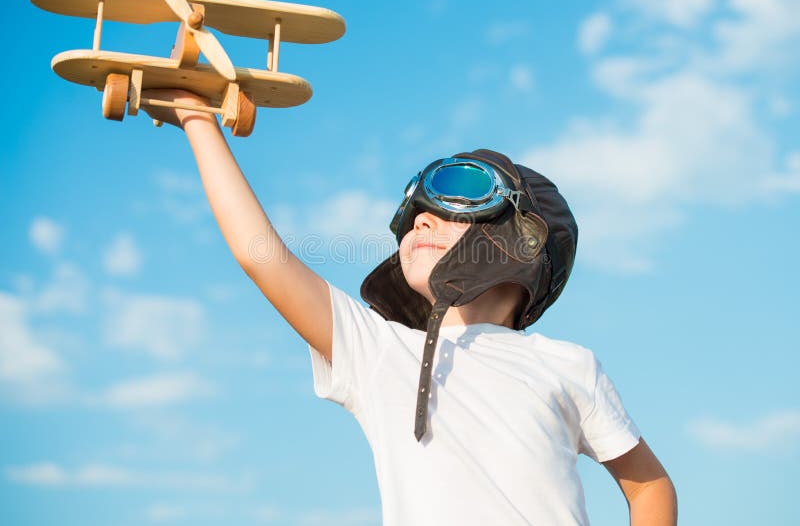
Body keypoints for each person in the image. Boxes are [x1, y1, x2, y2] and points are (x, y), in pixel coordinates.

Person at [141, 90, 678, 525]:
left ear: (519, 235)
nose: (420, 220)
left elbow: (650, 486)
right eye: (415, 211)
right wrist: (198, 120)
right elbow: (260, 257)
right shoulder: (379, 351)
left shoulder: (568, 365)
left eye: (452, 201)